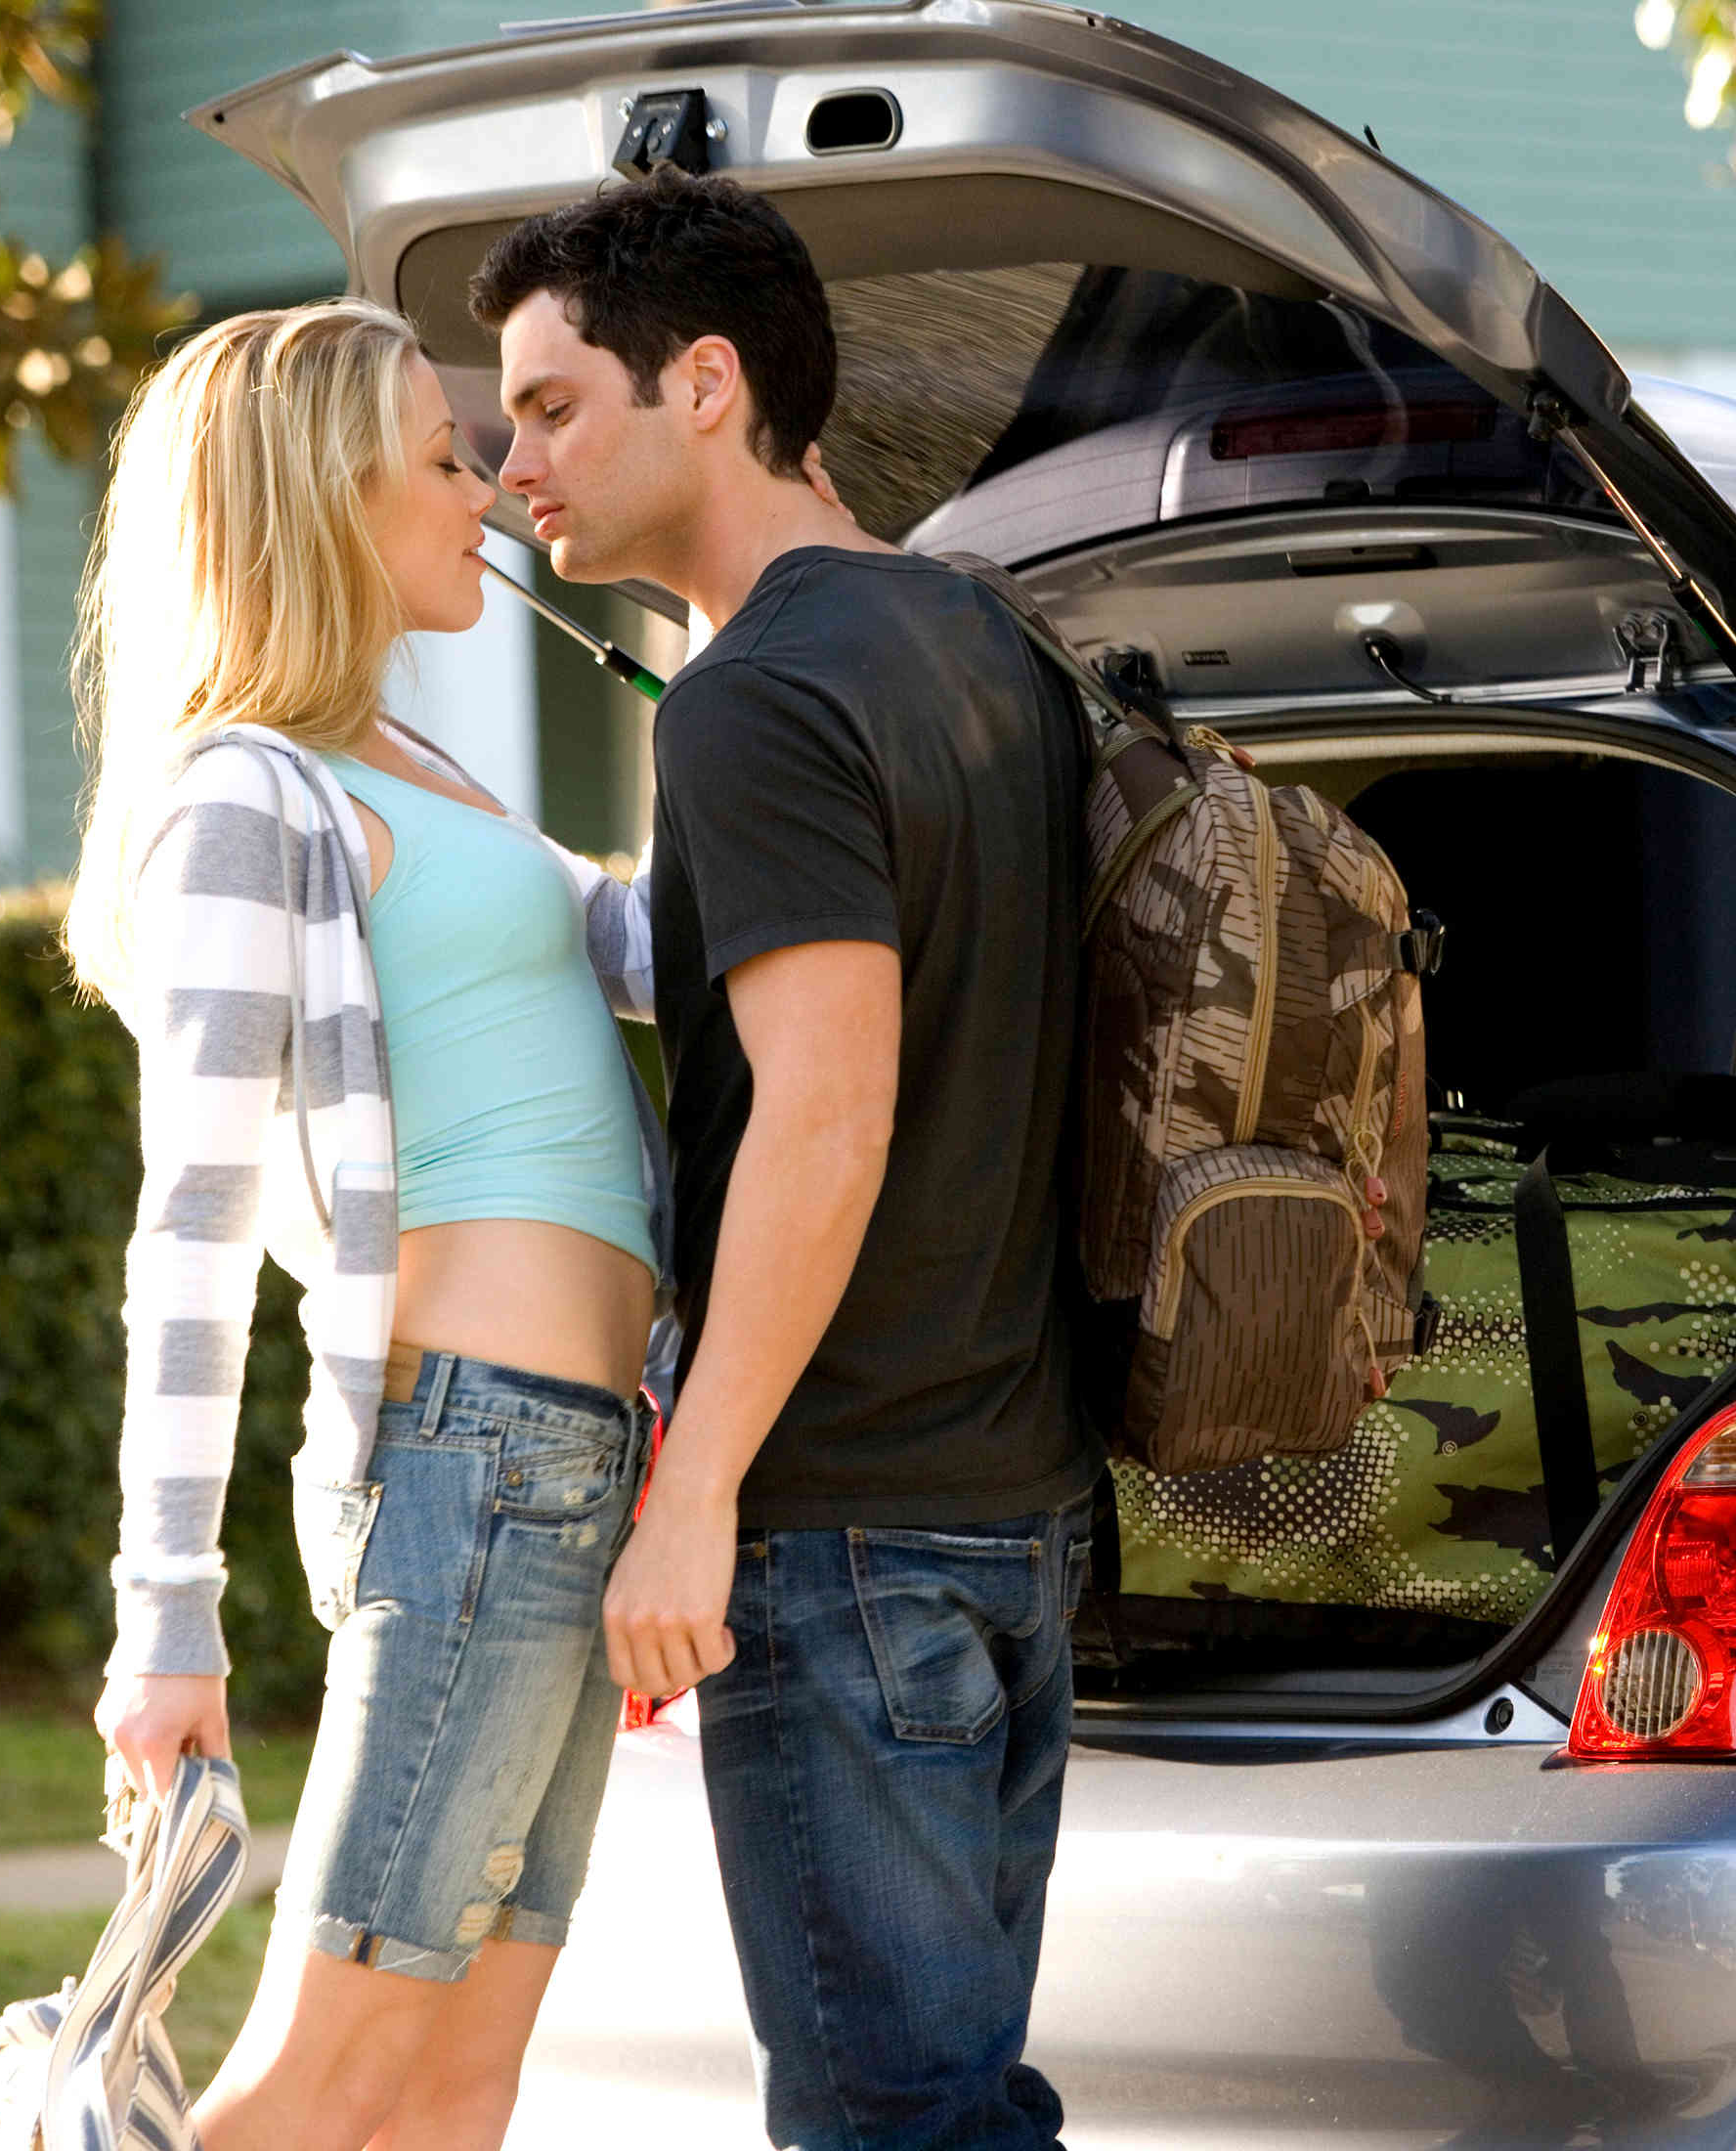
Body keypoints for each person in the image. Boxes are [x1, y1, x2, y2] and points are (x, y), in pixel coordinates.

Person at [470, 171, 1097, 2151]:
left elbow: (830, 1110)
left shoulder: (754, 697)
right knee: (958, 2103)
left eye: (555, 405)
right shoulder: (989, 645)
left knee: (887, 2121)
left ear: (709, 385)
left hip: (847, 1534)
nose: (513, 464)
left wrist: (697, 1487)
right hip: (1021, 1515)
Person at [64, 298, 669, 2150]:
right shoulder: (252, 793)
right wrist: (162, 1620)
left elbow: (665, 956)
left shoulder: (434, 774)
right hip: (476, 1458)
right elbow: (188, 1235)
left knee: (462, 2078)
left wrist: (770, 666)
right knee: (321, 2079)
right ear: (325, 499)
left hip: (580, 1454)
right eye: (438, 458)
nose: (483, 488)